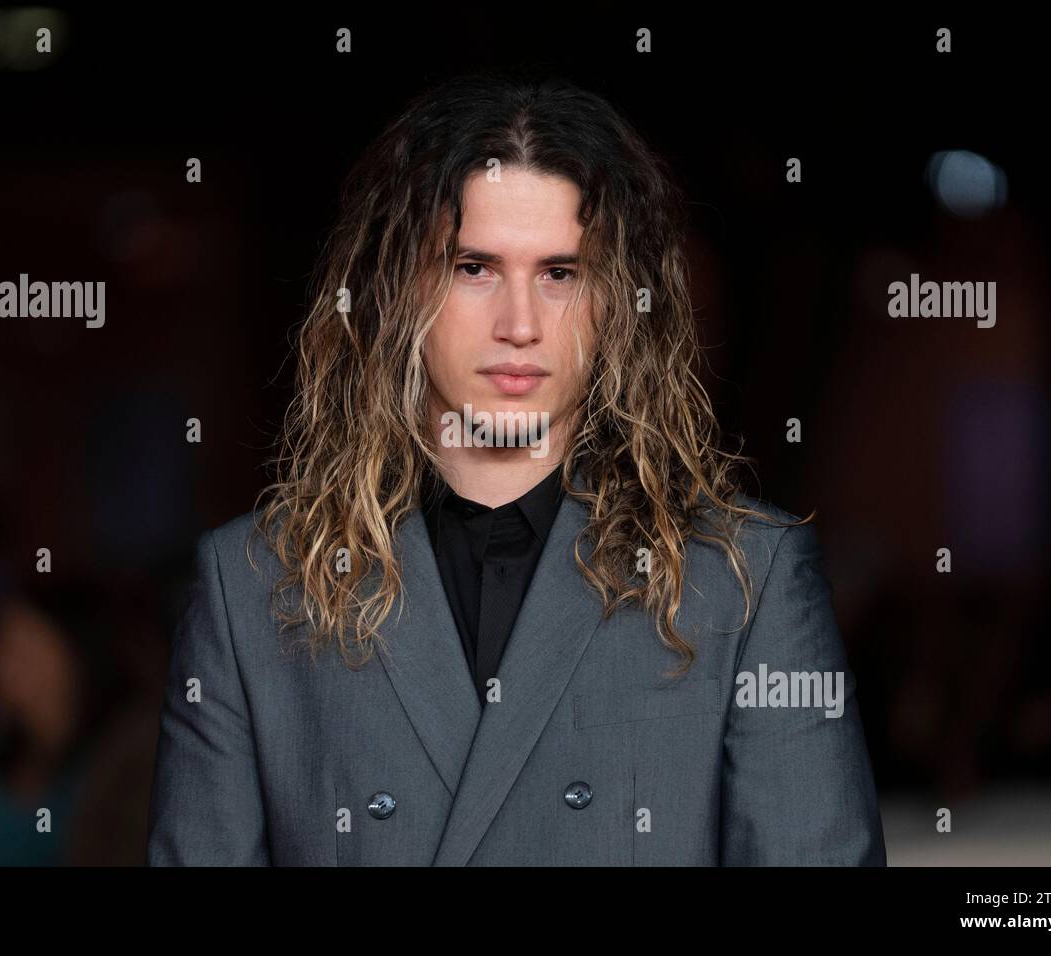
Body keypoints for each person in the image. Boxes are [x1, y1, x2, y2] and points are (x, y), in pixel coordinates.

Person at [146, 68, 886, 866]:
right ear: (397, 289)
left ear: (618, 302)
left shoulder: (743, 584)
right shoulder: (253, 590)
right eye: (475, 268)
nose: (520, 324)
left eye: (560, 274)